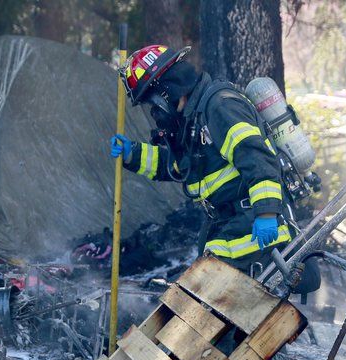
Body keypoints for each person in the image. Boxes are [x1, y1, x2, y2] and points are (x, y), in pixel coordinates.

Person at [110, 45, 319, 293]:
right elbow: (182, 167)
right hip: (226, 223)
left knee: (216, 302)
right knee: (210, 302)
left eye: (151, 103)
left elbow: (257, 159)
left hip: (253, 222)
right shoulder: (192, 120)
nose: (154, 112)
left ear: (165, 91)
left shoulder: (220, 107)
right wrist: (133, 154)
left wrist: (266, 214)